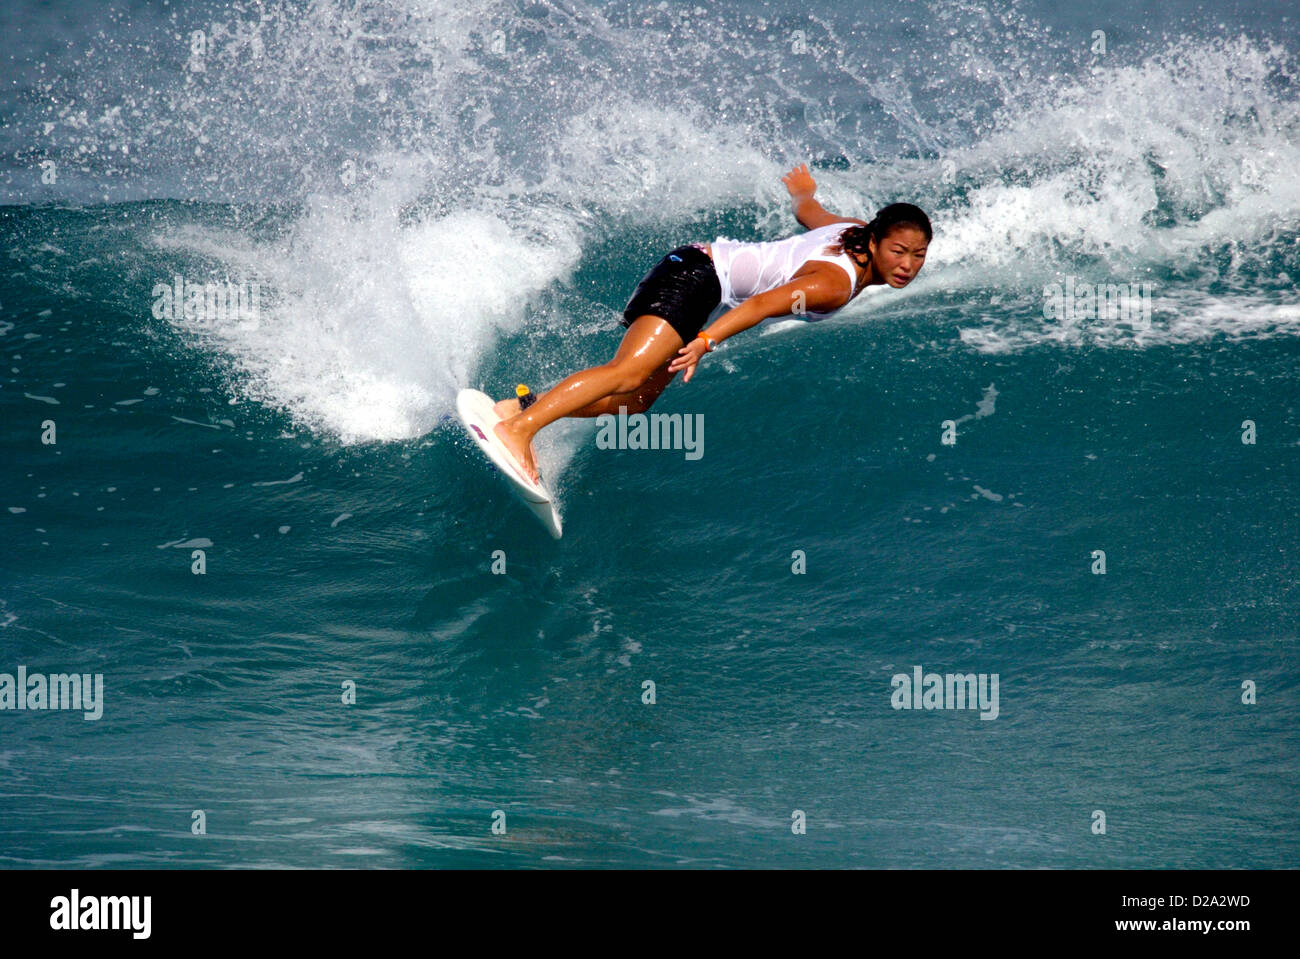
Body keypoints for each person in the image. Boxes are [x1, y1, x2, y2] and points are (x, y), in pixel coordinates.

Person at [491, 162, 931, 482]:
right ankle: (518, 429)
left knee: (636, 401)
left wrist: (803, 191)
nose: (907, 265)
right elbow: (761, 305)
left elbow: (809, 214)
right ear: (875, 242)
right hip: (695, 277)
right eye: (898, 251)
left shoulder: (851, 230)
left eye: (918, 255)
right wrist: (706, 341)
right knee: (627, 374)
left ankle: (525, 406)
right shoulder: (836, 282)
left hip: (702, 278)